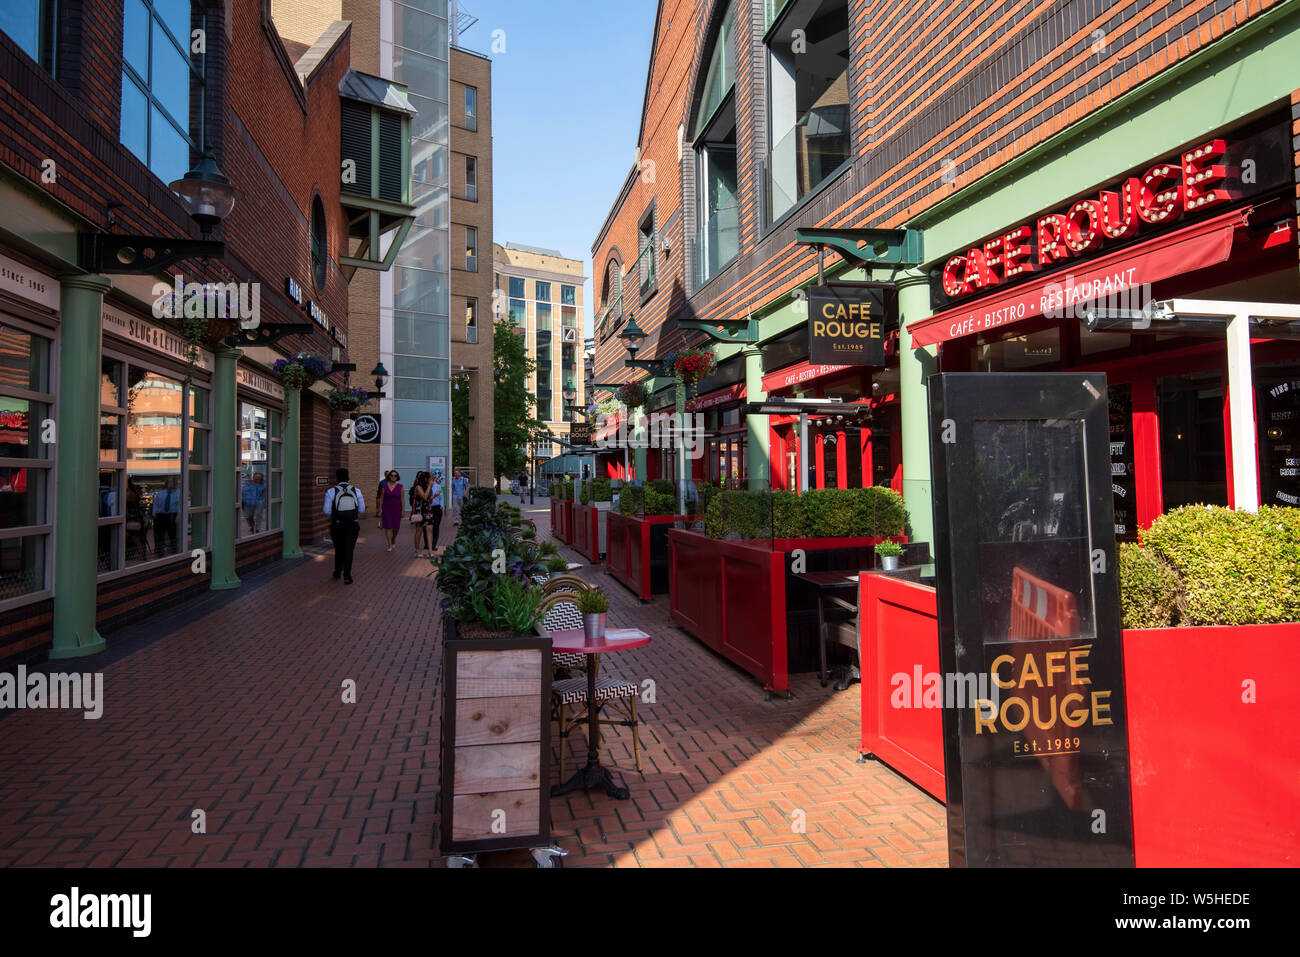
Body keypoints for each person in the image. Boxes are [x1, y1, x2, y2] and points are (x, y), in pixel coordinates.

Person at [324, 467, 364, 583]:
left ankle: (337, 571)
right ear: (348, 477)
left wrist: (337, 514)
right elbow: (361, 509)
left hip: (338, 525)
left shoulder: (331, 491)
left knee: (339, 549)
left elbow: (326, 511)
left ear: (336, 478)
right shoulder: (357, 491)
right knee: (349, 549)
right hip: (352, 525)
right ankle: (347, 575)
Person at [152, 476, 180, 554]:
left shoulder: (179, 493)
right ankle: (159, 552)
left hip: (172, 515)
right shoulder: (161, 493)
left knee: (172, 534)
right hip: (161, 515)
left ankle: (174, 550)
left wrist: (178, 515)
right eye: (169, 482)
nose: (170, 484)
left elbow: (180, 505)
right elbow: (156, 504)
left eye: (172, 482)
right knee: (159, 535)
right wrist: (154, 513)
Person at [378, 470, 403, 551]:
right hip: (386, 509)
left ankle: (393, 539)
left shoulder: (400, 486)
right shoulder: (384, 486)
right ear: (389, 476)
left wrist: (402, 510)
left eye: (395, 475)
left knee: (396, 528)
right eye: (392, 475)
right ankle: (389, 545)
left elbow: (402, 499)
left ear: (397, 477)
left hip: (397, 509)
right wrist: (380, 509)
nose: (393, 477)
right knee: (388, 527)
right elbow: (381, 499)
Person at [410, 471, 432, 557]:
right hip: (419, 510)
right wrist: (429, 486)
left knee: (430, 529)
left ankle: (430, 550)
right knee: (419, 531)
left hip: (427, 510)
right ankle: (417, 550)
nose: (431, 479)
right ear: (426, 478)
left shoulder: (427, 486)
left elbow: (428, 499)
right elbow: (424, 496)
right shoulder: (418, 487)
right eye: (430, 478)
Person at [427, 469, 445, 550]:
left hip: (437, 508)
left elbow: (441, 497)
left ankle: (434, 544)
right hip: (428, 508)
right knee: (428, 527)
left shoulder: (438, 486)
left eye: (432, 477)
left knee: (436, 526)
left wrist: (441, 505)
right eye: (430, 477)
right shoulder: (425, 487)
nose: (431, 478)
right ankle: (427, 544)